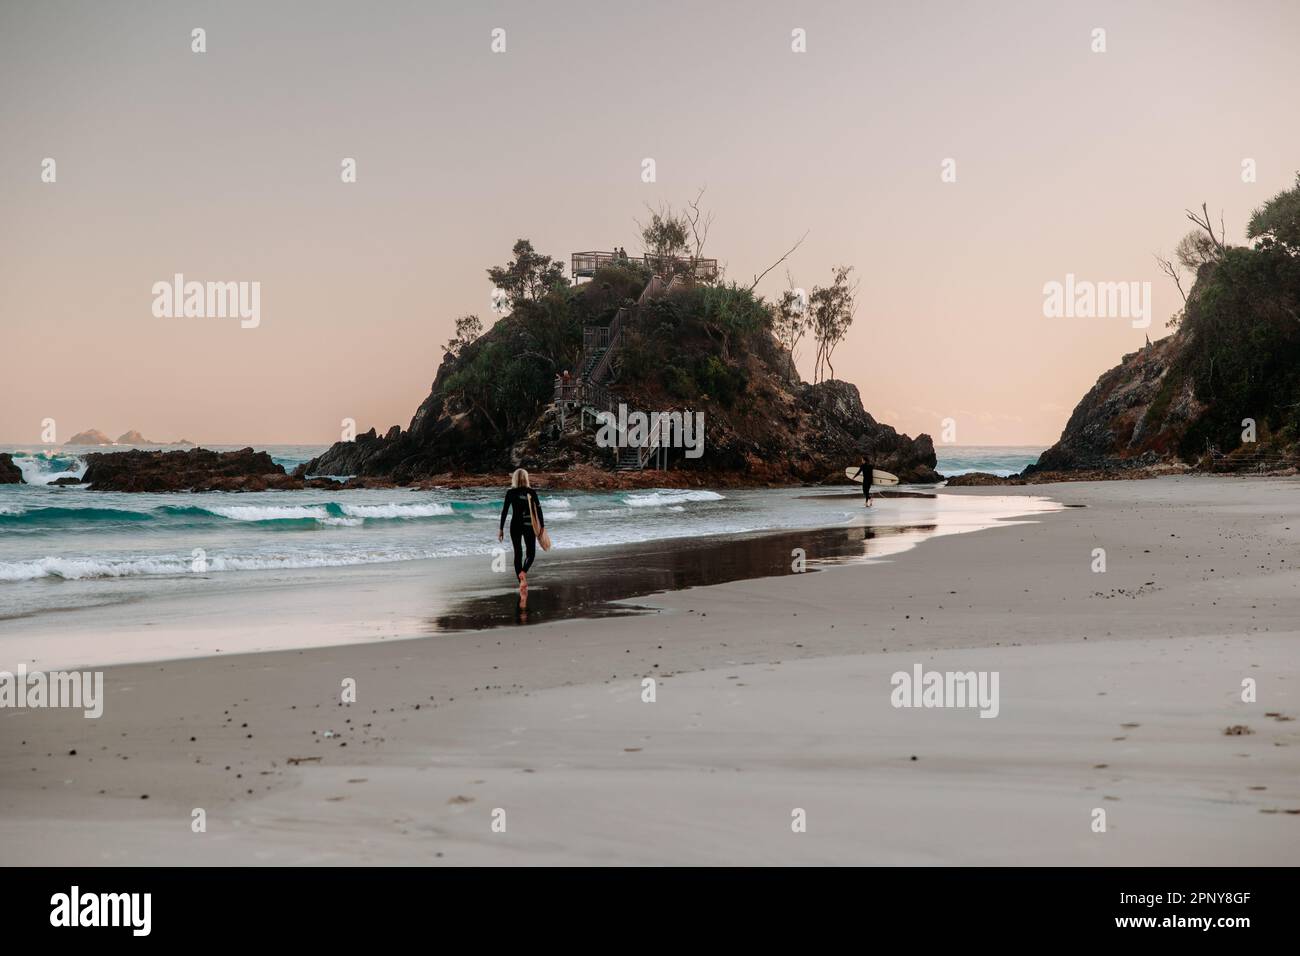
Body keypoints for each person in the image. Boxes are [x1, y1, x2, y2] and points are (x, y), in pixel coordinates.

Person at [498, 468, 545, 598]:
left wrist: (501, 528)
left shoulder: (510, 493)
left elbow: (505, 511)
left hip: (515, 525)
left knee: (518, 553)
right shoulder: (531, 492)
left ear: (514, 478)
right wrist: (542, 526)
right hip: (529, 525)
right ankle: (524, 572)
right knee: (531, 553)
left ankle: (521, 582)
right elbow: (539, 510)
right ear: (526, 478)